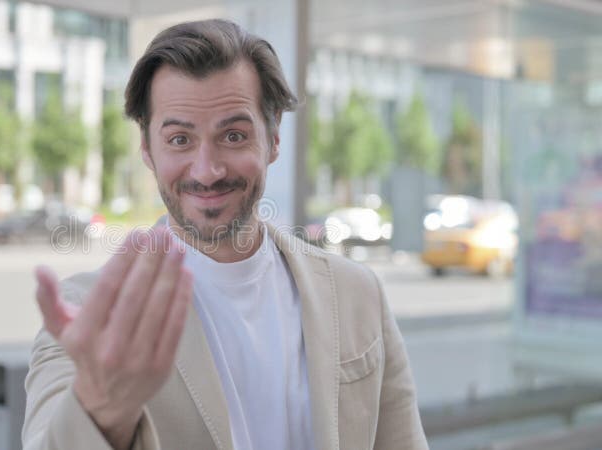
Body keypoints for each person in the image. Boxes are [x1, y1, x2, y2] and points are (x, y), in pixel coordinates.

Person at [23, 19, 428, 450]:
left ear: (273, 137)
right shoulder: (86, 317)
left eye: (233, 136)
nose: (207, 171)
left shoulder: (357, 293)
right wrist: (99, 408)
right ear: (146, 148)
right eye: (180, 139)